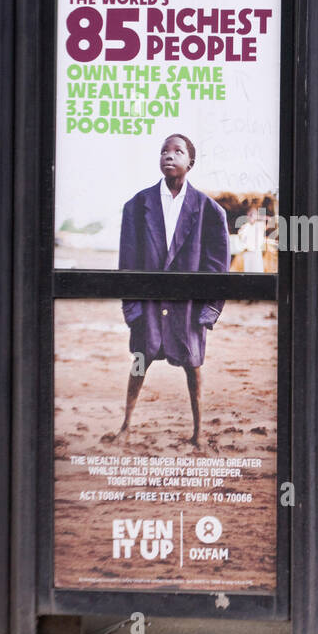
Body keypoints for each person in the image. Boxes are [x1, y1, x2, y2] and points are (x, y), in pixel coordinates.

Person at [106, 133, 229, 448]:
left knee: (194, 368)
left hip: (187, 308)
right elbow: (127, 263)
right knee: (138, 362)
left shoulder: (209, 210)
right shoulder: (136, 205)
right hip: (147, 306)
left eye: (178, 151)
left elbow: (218, 267)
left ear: (191, 162)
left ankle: (199, 432)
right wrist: (132, 309)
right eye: (164, 151)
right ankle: (126, 425)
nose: (169, 156)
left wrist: (209, 310)